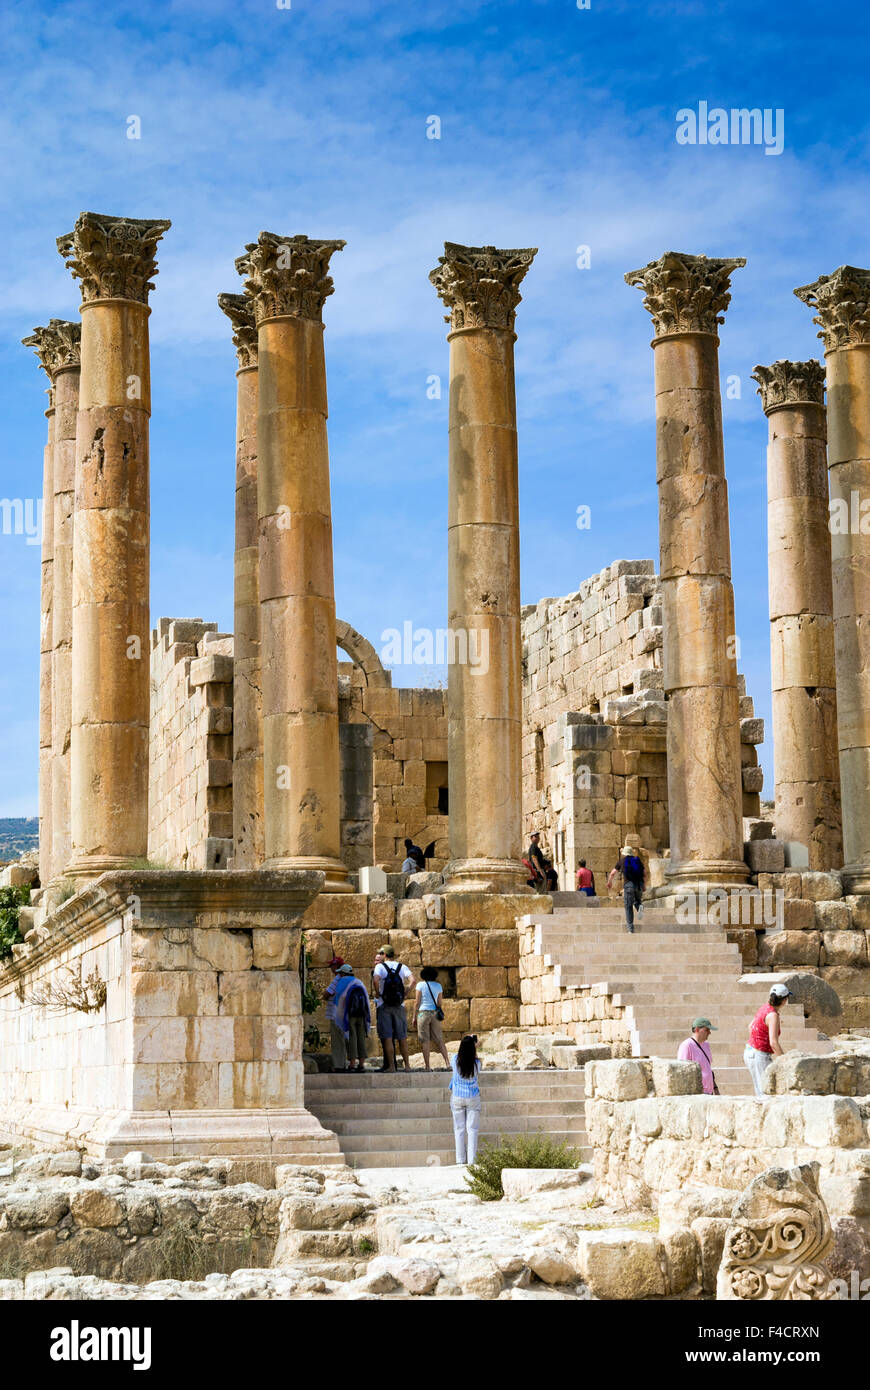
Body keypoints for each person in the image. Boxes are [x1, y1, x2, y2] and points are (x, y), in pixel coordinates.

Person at [372, 945, 416, 1072]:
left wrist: (377, 993)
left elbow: (376, 980)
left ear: (384, 955)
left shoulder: (380, 967)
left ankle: (391, 1066)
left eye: (381, 953)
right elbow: (413, 981)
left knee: (387, 1037)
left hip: (383, 1004)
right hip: (399, 1004)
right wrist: (405, 994)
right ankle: (407, 1066)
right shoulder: (402, 967)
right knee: (402, 1037)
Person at [744, 983, 792, 1095]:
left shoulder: (764, 1008)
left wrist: (758, 1039)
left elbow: (750, 1026)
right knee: (765, 1093)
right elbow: (774, 1042)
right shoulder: (773, 1015)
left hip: (751, 1051)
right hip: (759, 1055)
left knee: (761, 1091)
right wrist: (785, 1060)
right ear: (785, 1000)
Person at [450, 1034, 482, 1165]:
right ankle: (472, 1161)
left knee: (459, 1129)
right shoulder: (477, 1064)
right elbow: (475, 1059)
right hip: (472, 1097)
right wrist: (475, 1047)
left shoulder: (454, 1059)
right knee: (472, 1130)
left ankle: (460, 1160)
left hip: (457, 1096)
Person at [410, 966, 450, 1071]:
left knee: (425, 1041)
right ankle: (448, 1063)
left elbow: (417, 1002)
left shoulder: (420, 985)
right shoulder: (438, 986)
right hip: (435, 1014)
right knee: (439, 1039)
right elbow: (439, 1003)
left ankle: (427, 1066)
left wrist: (414, 1017)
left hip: (423, 1013)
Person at [333, 964, 370, 1074]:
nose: (339, 974)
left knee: (351, 1037)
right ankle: (362, 1064)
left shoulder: (343, 981)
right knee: (361, 1037)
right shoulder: (358, 981)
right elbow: (366, 999)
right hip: (362, 1014)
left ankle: (352, 1064)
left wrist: (339, 1015)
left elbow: (338, 998)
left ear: (343, 973)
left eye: (340, 973)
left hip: (350, 1014)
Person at [677, 1017, 719, 1096]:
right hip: (697, 1093)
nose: (709, 1032)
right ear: (697, 1030)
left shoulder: (706, 1045)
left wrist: (715, 1088)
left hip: (709, 1092)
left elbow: (708, 1069)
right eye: (706, 1030)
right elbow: (682, 1072)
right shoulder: (686, 1046)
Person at [608, 845, 645, 932]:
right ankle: (640, 907)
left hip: (629, 885)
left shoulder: (623, 861)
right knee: (637, 901)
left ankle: (630, 929)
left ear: (624, 853)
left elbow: (613, 873)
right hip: (639, 884)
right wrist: (644, 885)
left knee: (628, 906)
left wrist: (609, 882)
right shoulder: (637, 860)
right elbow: (644, 873)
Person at [325, 956, 348, 1072]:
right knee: (342, 1040)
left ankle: (338, 1066)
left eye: (332, 966)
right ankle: (343, 1064)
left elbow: (327, 994)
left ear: (337, 967)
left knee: (337, 1041)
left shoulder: (337, 979)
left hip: (335, 1014)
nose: (331, 969)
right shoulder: (347, 979)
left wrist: (324, 995)